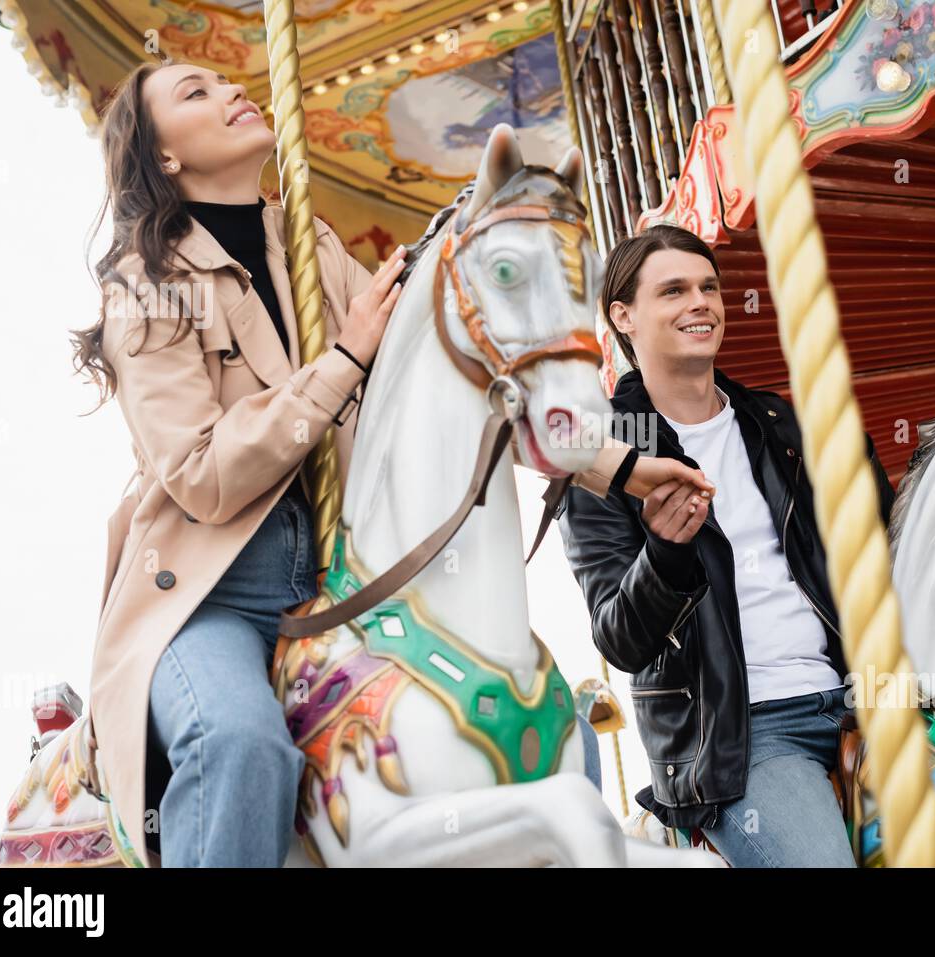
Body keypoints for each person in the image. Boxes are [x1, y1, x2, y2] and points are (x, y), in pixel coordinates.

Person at [69, 61, 711, 867]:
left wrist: (621, 467)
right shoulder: (150, 287)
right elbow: (202, 473)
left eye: (226, 83)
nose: (232, 91)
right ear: (162, 155)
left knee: (556, 725)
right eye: (196, 93)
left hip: (344, 586)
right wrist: (343, 360)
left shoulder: (310, 248)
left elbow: (457, 385)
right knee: (239, 742)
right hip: (212, 598)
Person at [556, 224, 896, 867]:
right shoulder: (602, 457)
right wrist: (665, 554)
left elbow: (886, 544)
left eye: (709, 288)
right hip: (741, 735)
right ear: (623, 316)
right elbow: (621, 640)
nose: (701, 303)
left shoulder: (782, 426)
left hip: (863, 698)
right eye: (674, 291)